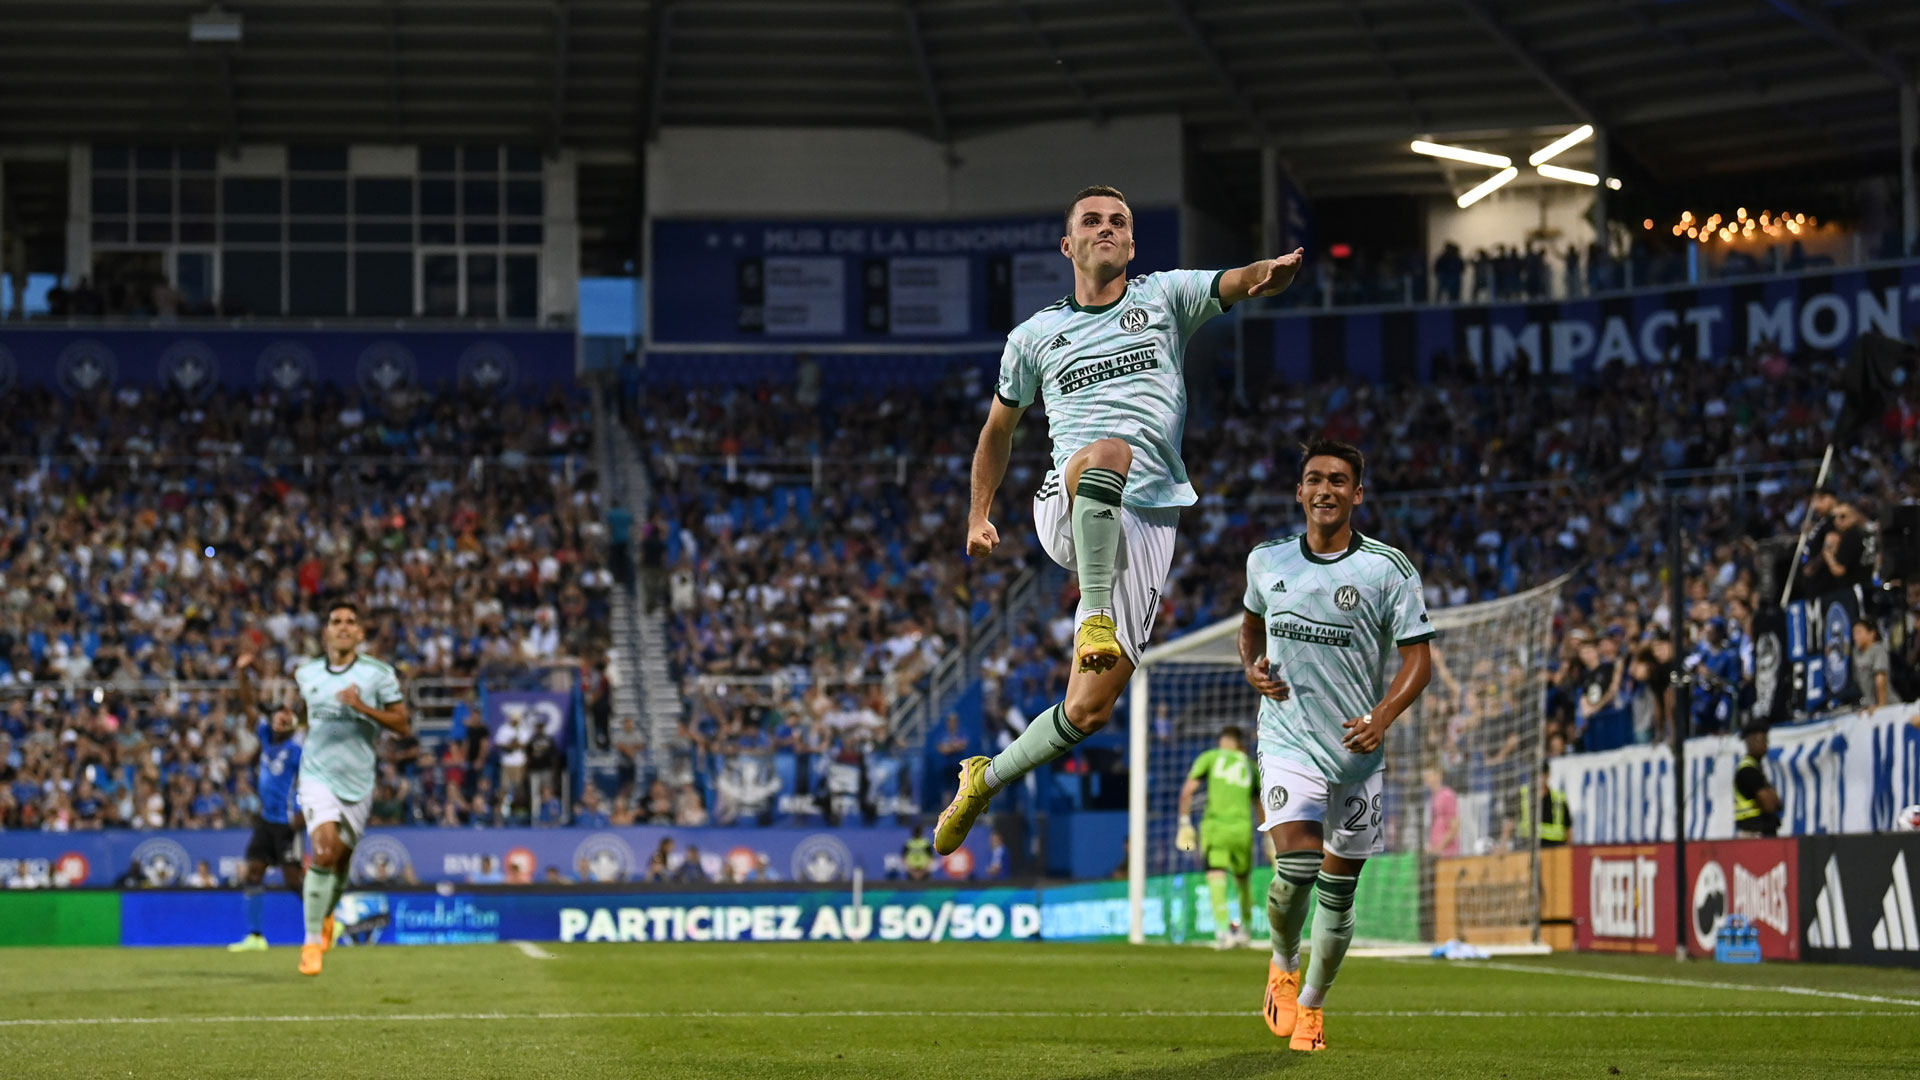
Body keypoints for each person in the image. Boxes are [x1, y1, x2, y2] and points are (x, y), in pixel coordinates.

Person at [936, 183, 1305, 855]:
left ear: (1132, 243)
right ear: (1068, 244)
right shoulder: (1035, 336)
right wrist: (979, 515)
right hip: (1069, 499)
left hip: (1149, 517)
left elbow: (1238, 281)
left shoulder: (1165, 297)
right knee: (1107, 450)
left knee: (1089, 709)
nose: (1106, 228)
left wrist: (1269, 275)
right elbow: (998, 430)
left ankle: (985, 778)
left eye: (1118, 222)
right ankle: (1096, 613)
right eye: (1091, 221)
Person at [1241, 438, 1433, 1052]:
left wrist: (1382, 716)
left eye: (1338, 480)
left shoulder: (1386, 569)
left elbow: (1418, 661)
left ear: (1357, 493)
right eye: (1314, 479)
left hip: (1356, 751)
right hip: (1288, 738)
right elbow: (1250, 625)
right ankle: (1281, 960)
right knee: (1295, 869)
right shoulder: (1266, 561)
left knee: (1340, 892)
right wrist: (1252, 667)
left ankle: (1314, 1007)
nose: (1325, 489)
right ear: (1299, 491)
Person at [290, 601, 410, 977]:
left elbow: (403, 725)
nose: (343, 627)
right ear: (326, 632)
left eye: (350, 622)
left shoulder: (378, 674)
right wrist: (288, 720)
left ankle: (326, 916)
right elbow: (303, 712)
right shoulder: (306, 673)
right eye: (335, 621)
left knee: (339, 862)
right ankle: (311, 943)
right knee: (322, 852)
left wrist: (362, 707)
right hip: (316, 775)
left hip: (357, 780)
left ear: (360, 633)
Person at [229, 654, 306, 953]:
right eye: (278, 715)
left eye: (287, 717)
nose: (281, 718)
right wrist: (241, 673)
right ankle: (256, 936)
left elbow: (313, 783)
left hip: (286, 823)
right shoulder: (264, 736)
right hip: (265, 821)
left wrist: (304, 812)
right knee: (254, 872)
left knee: (292, 880)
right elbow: (248, 705)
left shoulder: (296, 750)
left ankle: (327, 920)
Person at [1176, 725, 1258, 950]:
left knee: (1216, 876)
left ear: (1222, 741)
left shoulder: (1210, 757)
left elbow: (1187, 792)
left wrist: (1184, 822)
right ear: (1241, 744)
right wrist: (1269, 837)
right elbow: (1260, 803)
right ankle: (1246, 930)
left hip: (1215, 828)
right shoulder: (1251, 766)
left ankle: (1223, 931)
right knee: (1243, 880)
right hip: (1242, 830)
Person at [1733, 725, 1783, 838]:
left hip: (1760, 831)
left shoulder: (1757, 768)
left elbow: (1779, 804)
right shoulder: (1748, 770)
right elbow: (1770, 806)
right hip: (1754, 833)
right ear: (1750, 742)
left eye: (1766, 741)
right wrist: (1770, 797)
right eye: (1762, 741)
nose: (1766, 746)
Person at [1853, 618, 1905, 710]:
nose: (1855, 637)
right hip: (1871, 705)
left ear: (1871, 634)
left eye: (1859, 632)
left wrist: (1881, 705)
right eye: (1854, 633)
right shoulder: (1856, 654)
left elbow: (1881, 679)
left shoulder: (1878, 650)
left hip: (1890, 706)